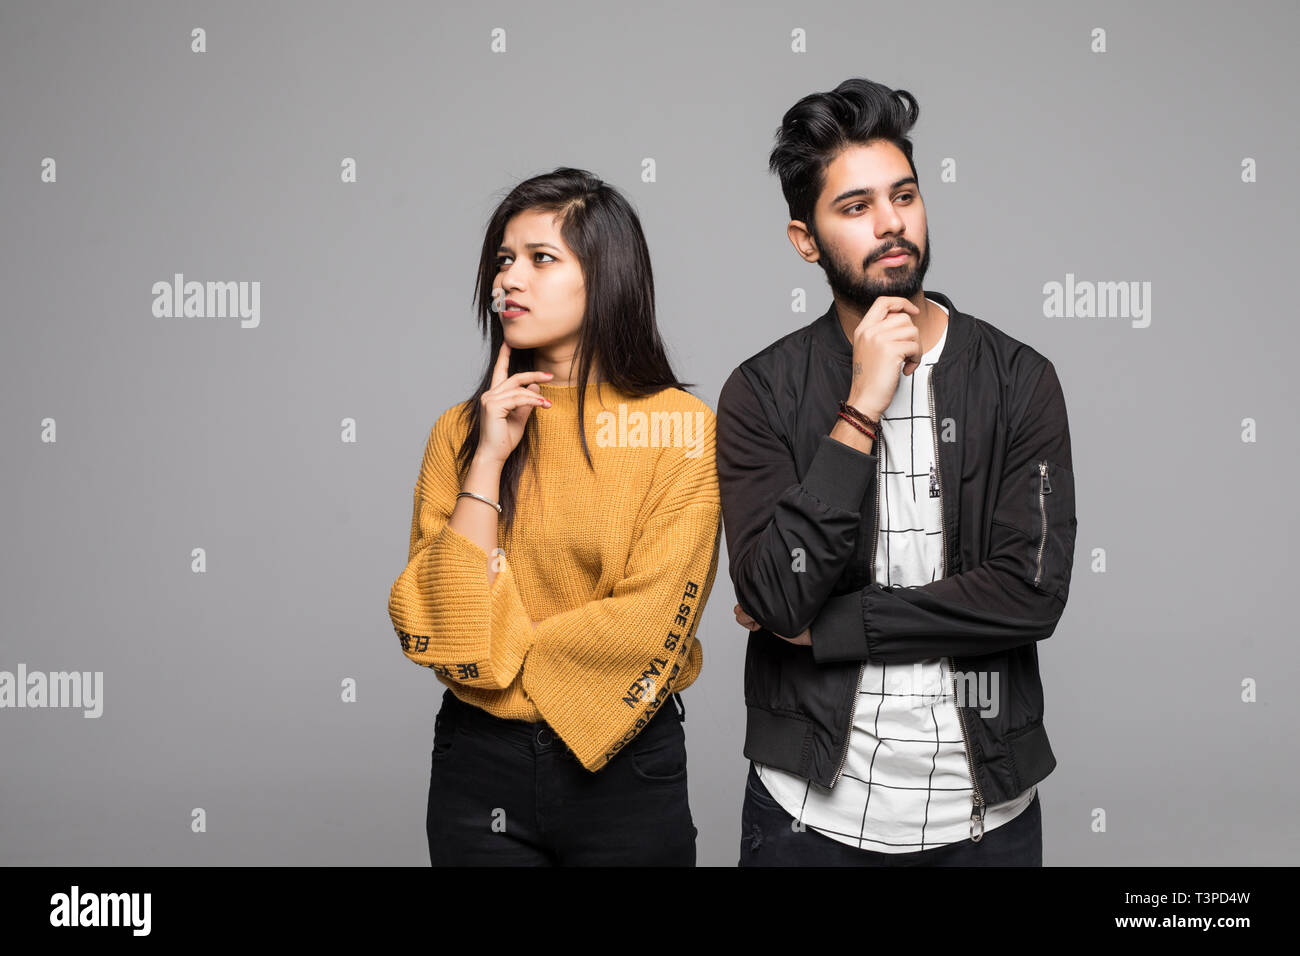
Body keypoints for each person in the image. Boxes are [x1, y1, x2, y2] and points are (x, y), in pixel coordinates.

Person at [716, 78, 1077, 866]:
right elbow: (776, 595)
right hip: (805, 817)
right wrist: (860, 408)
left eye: (903, 195)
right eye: (855, 208)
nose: (891, 224)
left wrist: (834, 627)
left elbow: (1030, 594)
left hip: (986, 817)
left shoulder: (1019, 381)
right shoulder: (761, 393)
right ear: (804, 240)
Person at [388, 167, 721, 866]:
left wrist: (492, 643)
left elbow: (650, 618)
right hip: (478, 771)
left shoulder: (679, 427)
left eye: (542, 259)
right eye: (503, 261)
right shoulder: (459, 431)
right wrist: (487, 460)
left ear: (607, 276)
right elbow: (436, 621)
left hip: (626, 767)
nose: (509, 279)